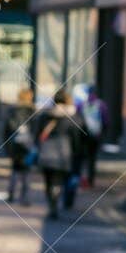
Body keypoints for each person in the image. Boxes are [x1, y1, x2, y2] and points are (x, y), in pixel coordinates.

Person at [33, 89, 84, 218]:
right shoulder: (73, 117)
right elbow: (77, 138)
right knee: (58, 181)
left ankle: (52, 204)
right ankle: (56, 200)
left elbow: (37, 135)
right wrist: (77, 154)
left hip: (46, 152)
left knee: (48, 181)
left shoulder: (45, 115)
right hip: (63, 153)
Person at [1, 88, 36, 204]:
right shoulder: (32, 111)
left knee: (15, 169)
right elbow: (36, 129)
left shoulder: (12, 111)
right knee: (26, 170)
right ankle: (25, 197)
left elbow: (6, 130)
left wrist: (6, 145)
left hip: (14, 144)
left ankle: (11, 193)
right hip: (28, 144)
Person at [76, 84, 107, 186]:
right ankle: (91, 180)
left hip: (83, 136)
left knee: (82, 158)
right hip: (95, 135)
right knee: (92, 158)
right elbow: (106, 121)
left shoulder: (81, 105)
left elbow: (76, 119)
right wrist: (102, 133)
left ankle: (81, 179)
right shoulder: (101, 105)